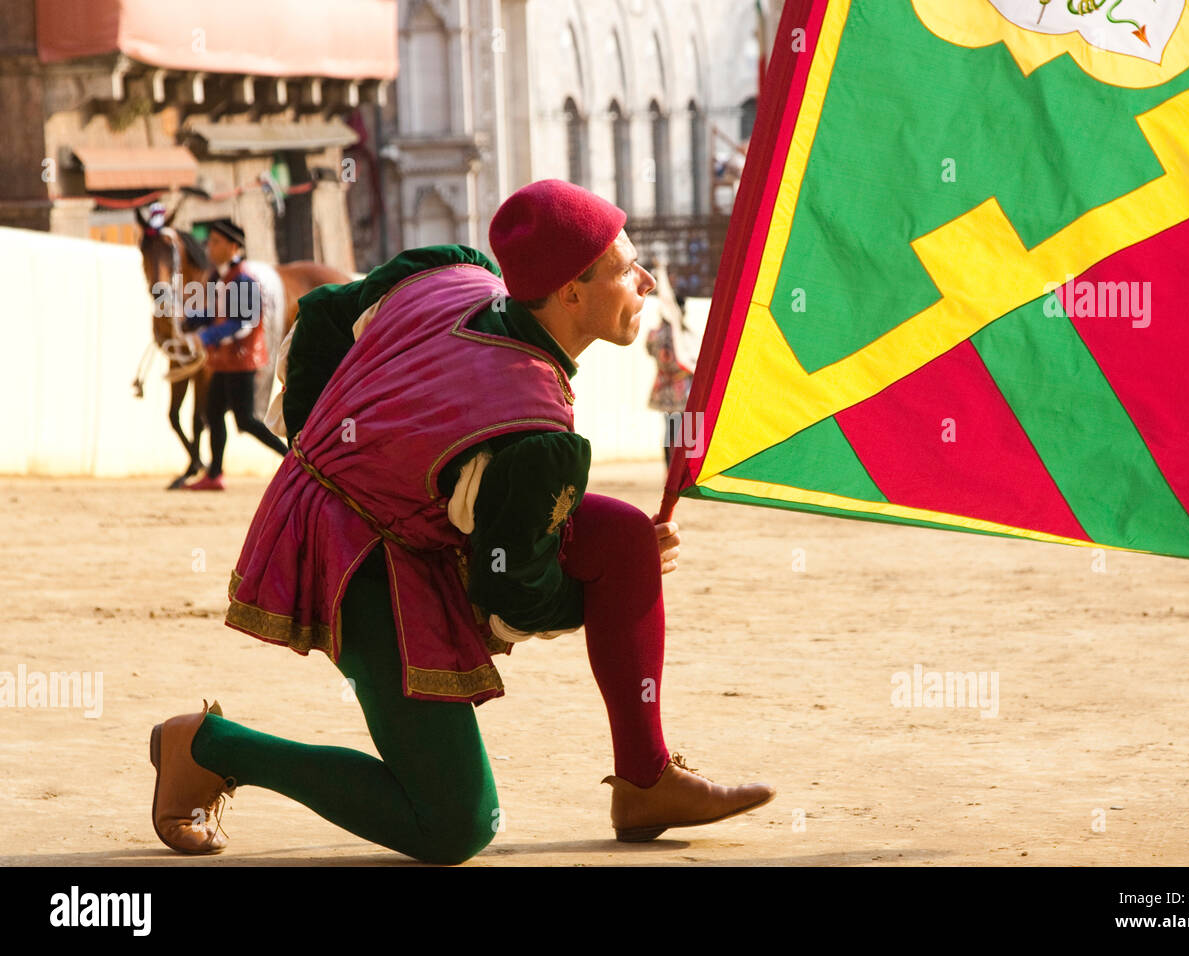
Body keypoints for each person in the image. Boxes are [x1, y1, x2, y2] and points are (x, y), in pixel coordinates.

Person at [147, 180, 774, 864]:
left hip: (384, 512)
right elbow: (517, 598)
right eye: (626, 269)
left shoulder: (447, 270)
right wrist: (340, 461)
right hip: (363, 557)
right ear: (569, 293)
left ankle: (646, 780)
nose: (647, 281)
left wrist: (333, 442)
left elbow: (326, 312)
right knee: (454, 826)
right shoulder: (539, 439)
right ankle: (206, 748)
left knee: (624, 539)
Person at [179, 219, 288, 490]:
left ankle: (291, 460)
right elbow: (221, 315)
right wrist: (191, 319)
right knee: (213, 413)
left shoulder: (243, 280)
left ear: (232, 246)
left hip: (242, 361)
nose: (210, 247)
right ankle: (215, 474)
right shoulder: (223, 278)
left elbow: (242, 323)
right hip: (225, 361)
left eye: (215, 242)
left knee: (247, 421)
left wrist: (204, 336)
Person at [645, 264, 700, 468]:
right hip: (683, 390)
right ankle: (685, 472)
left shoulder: (654, 334)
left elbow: (650, 351)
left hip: (664, 388)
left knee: (671, 432)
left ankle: (671, 471)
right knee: (688, 434)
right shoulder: (683, 335)